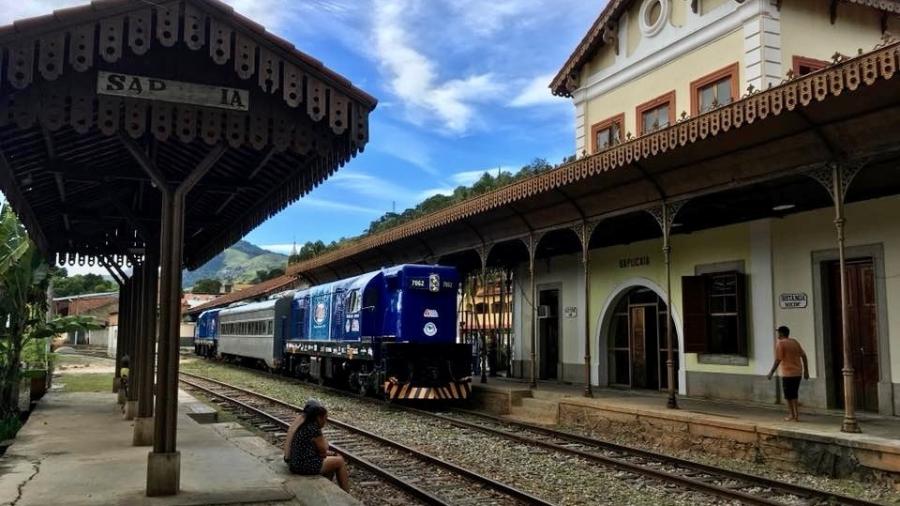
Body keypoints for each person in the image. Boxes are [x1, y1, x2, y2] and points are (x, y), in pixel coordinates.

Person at [283, 399, 349, 492]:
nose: (325, 422)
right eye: (325, 419)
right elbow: (324, 450)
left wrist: (332, 453)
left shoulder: (304, 424)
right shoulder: (314, 428)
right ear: (318, 418)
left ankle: (325, 488)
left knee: (333, 459)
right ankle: (346, 493)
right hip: (302, 465)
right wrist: (328, 447)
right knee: (340, 461)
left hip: (295, 463)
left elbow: (319, 451)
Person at [767, 326, 809, 422]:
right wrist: (806, 371)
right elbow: (804, 356)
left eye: (778, 333)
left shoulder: (780, 344)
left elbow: (778, 360)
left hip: (788, 373)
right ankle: (796, 414)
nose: (777, 335)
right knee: (794, 394)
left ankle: (792, 414)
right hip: (797, 373)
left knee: (788, 396)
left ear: (781, 334)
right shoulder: (794, 342)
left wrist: (771, 372)